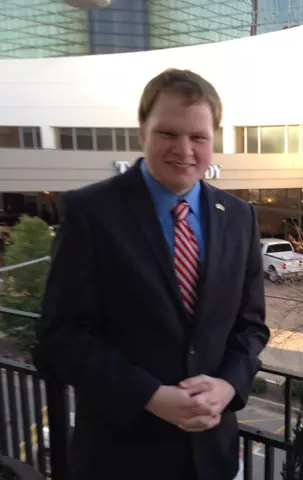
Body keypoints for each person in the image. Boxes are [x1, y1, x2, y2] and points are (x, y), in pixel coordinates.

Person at [33, 68, 270, 480]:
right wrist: (150, 396)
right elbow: (63, 336)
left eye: (198, 138)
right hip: (120, 455)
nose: (185, 150)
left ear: (213, 140)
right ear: (142, 131)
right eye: (168, 133)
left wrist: (229, 386)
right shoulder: (91, 213)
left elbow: (250, 326)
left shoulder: (239, 217)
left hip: (210, 454)